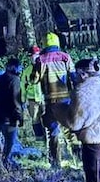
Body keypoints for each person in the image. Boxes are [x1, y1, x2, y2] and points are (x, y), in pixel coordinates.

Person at [31, 32, 75, 167]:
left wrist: (35, 65)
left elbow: (34, 79)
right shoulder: (65, 57)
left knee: (53, 132)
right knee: (71, 130)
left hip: (50, 102)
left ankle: (55, 163)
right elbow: (73, 77)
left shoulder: (41, 60)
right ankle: (78, 159)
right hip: (66, 100)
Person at [0, 57, 25, 167]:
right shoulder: (15, 80)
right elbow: (16, 100)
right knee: (9, 142)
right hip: (9, 118)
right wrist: (20, 116)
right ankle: (6, 161)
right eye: (18, 67)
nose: (19, 69)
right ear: (12, 67)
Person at [20, 46, 46, 139]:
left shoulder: (44, 67)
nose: (33, 58)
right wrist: (23, 99)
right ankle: (39, 139)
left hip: (44, 98)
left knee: (46, 118)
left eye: (35, 55)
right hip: (32, 99)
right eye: (32, 56)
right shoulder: (27, 70)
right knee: (35, 119)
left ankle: (48, 139)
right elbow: (23, 85)